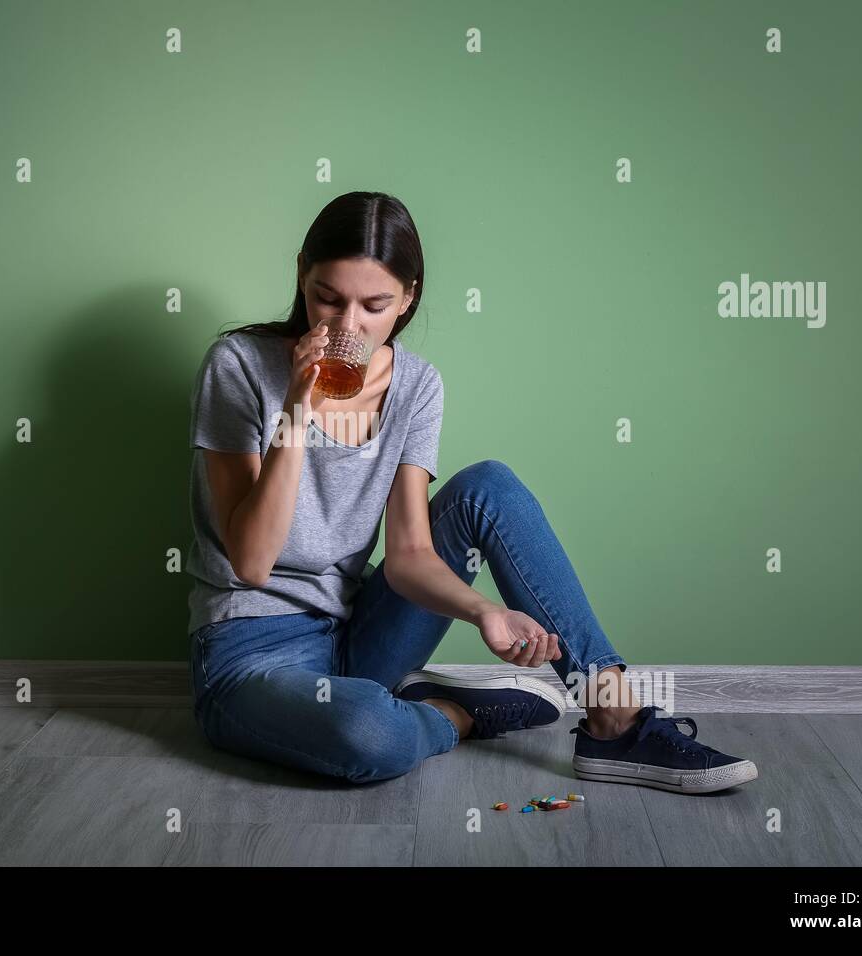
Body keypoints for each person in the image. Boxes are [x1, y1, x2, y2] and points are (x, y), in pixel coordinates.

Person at [185, 191, 758, 793]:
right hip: (249, 652)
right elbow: (251, 563)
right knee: (367, 735)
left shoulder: (416, 386)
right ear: (302, 274)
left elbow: (408, 556)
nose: (345, 326)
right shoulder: (238, 366)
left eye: (374, 305)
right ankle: (449, 713)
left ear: (407, 299)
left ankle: (615, 717)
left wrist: (486, 612)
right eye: (327, 298)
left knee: (488, 486)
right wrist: (296, 410)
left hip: (357, 635)